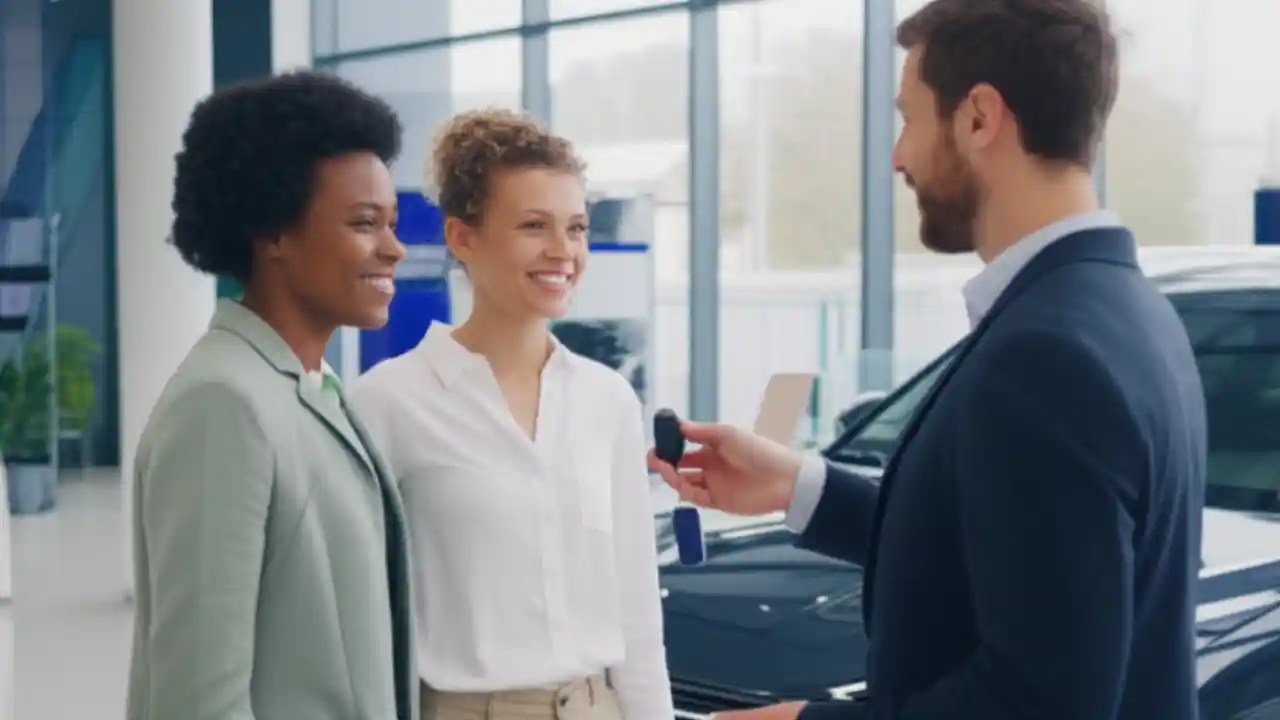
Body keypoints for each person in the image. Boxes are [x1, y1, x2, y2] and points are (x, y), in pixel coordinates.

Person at [650, 2, 1206, 720]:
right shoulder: (1128, 311)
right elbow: (1027, 558)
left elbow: (1037, 703)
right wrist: (799, 485)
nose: (897, 156)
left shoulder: (1044, 355)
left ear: (979, 117)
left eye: (908, 118)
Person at [348, 108, 673, 720]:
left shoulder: (607, 400)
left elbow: (636, 608)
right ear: (461, 237)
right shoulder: (389, 402)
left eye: (576, 228)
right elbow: (360, 617)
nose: (563, 251)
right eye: (533, 225)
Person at [125, 71, 417, 720]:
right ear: (273, 232)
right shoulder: (224, 406)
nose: (394, 248)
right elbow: (198, 698)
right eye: (365, 222)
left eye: (392, 223)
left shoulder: (314, 391)